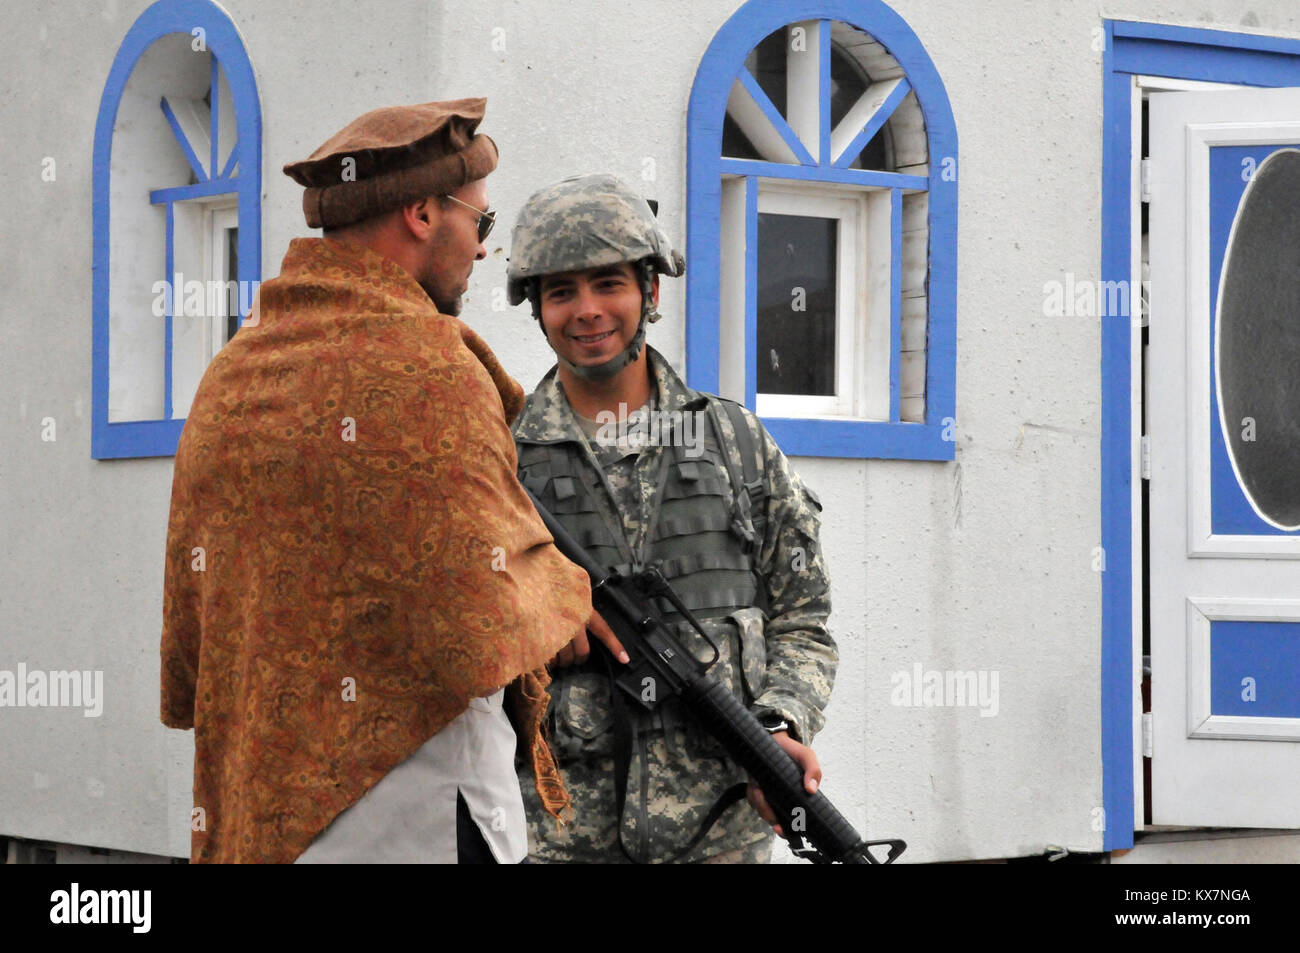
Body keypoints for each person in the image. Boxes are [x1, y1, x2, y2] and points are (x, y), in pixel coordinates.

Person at [160, 100, 619, 864]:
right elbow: (481, 614)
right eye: (480, 219)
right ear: (420, 213)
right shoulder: (429, 365)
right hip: (413, 816)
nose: (480, 248)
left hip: (264, 811)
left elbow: (195, 621)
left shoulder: (232, 373)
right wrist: (565, 600)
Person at [506, 173, 838, 863]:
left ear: (650, 292)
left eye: (609, 284)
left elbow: (803, 620)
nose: (587, 310)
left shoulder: (736, 444)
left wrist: (776, 726)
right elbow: (449, 635)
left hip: (719, 836)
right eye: (561, 291)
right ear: (537, 308)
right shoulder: (499, 461)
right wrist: (536, 621)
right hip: (554, 837)